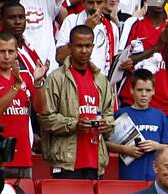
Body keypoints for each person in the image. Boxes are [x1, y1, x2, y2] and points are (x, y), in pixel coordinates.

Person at [36, 25, 117, 179]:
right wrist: (74, 124)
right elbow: (45, 118)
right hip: (65, 162)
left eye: (88, 46)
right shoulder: (56, 78)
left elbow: (109, 114)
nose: (84, 50)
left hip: (96, 162)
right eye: (79, 46)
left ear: (93, 47)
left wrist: (106, 124)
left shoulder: (101, 80)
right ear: (70, 47)